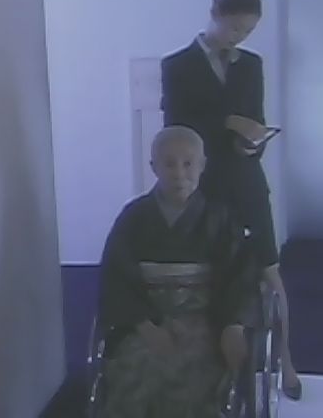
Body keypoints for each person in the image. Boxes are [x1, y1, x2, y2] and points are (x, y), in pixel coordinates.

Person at [160, 0, 303, 400]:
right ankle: (212, 365)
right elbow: (177, 129)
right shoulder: (178, 65)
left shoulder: (251, 64)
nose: (239, 37)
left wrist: (251, 142)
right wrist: (227, 123)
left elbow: (255, 120)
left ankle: (286, 360)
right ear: (215, 15)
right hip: (201, 185)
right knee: (210, 275)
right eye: (234, 28)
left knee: (269, 268)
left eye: (247, 31)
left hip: (245, 179)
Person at [97, 126, 260, 418]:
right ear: (154, 167)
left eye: (188, 164)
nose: (179, 174)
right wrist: (146, 328)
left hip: (205, 321)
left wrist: (232, 326)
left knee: (200, 374)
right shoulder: (133, 218)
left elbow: (239, 278)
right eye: (169, 164)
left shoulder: (220, 219)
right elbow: (116, 279)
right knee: (134, 368)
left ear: (202, 165)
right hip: (147, 321)